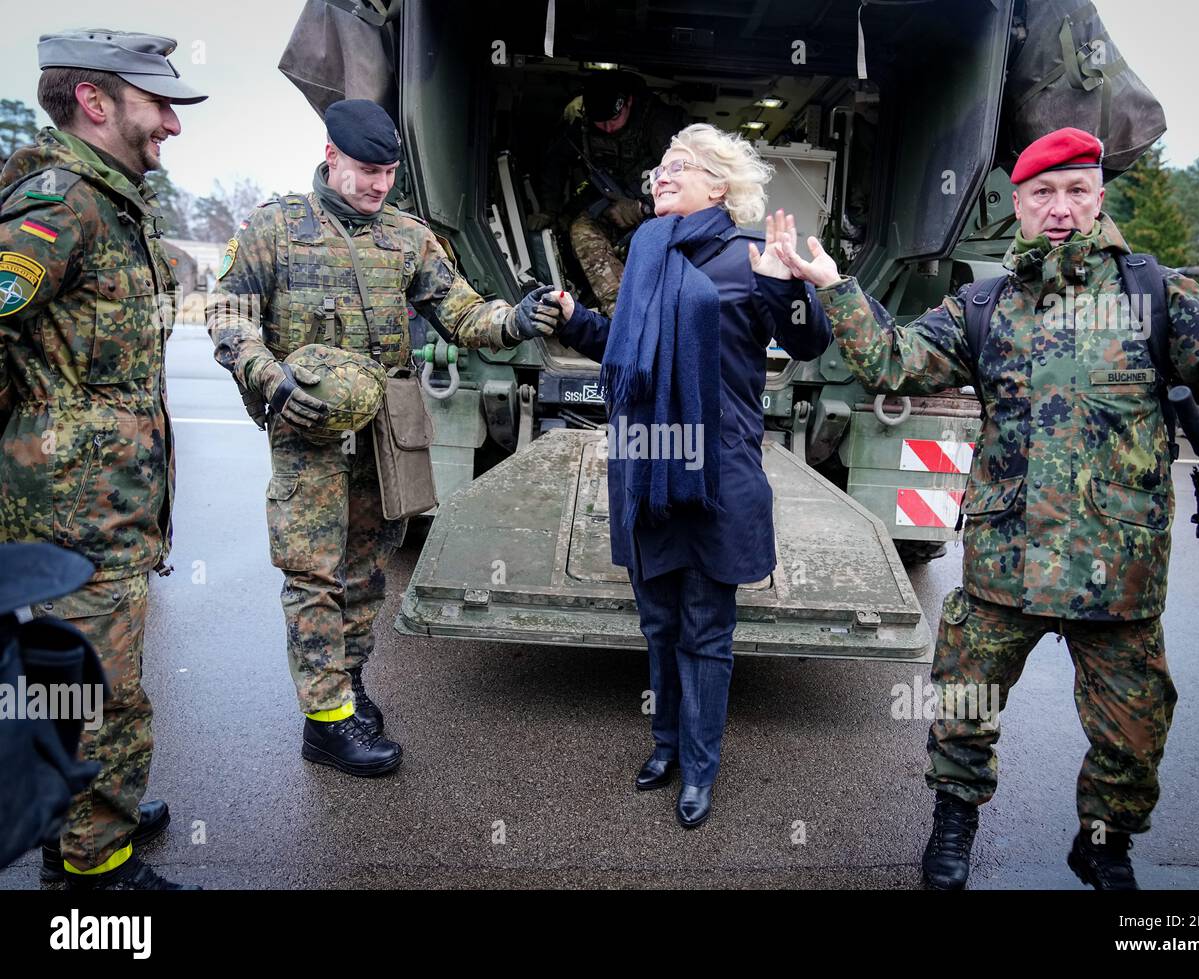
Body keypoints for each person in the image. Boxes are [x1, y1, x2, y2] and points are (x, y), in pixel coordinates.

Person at [770, 126, 1199, 889]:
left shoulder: (1156, 294)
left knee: (1133, 735)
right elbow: (894, 359)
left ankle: (1105, 845)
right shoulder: (984, 306)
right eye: (1042, 193)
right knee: (962, 707)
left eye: (1077, 190)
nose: (1060, 209)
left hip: (1118, 575)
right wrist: (833, 285)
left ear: (1100, 198)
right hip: (1002, 566)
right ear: (1017, 205)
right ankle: (954, 825)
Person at [206, 99, 544, 778]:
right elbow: (226, 309)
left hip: (385, 429)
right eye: (366, 170)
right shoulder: (275, 227)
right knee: (312, 571)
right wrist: (267, 378)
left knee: (368, 565)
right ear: (331, 155)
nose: (378, 185)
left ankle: (347, 685)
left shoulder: (408, 237)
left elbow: (462, 312)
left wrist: (516, 319)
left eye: (389, 172)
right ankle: (325, 722)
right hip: (308, 428)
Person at [515, 123, 832, 829]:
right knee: (658, 623)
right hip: (647, 467)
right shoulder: (648, 253)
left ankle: (701, 767)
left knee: (706, 631)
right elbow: (622, 350)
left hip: (715, 474)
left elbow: (810, 338)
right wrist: (575, 319)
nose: (661, 174)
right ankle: (664, 746)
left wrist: (791, 290)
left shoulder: (753, 257)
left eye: (678, 166)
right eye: (659, 166)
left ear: (719, 186)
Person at [0, 28, 207, 890]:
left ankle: (79, 811)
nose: (172, 124)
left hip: (104, 503)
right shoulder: (60, 203)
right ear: (95, 100)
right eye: (158, 103)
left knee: (81, 679)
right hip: (72, 509)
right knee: (101, 688)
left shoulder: (112, 199)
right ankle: (95, 874)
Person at [530, 71, 686, 317]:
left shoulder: (658, 123)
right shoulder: (583, 125)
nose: (608, 128)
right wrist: (551, 209)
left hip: (659, 210)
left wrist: (642, 207)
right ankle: (620, 314)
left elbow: (685, 178)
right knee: (582, 229)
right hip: (610, 204)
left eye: (614, 119)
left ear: (629, 102)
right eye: (600, 123)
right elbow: (555, 163)